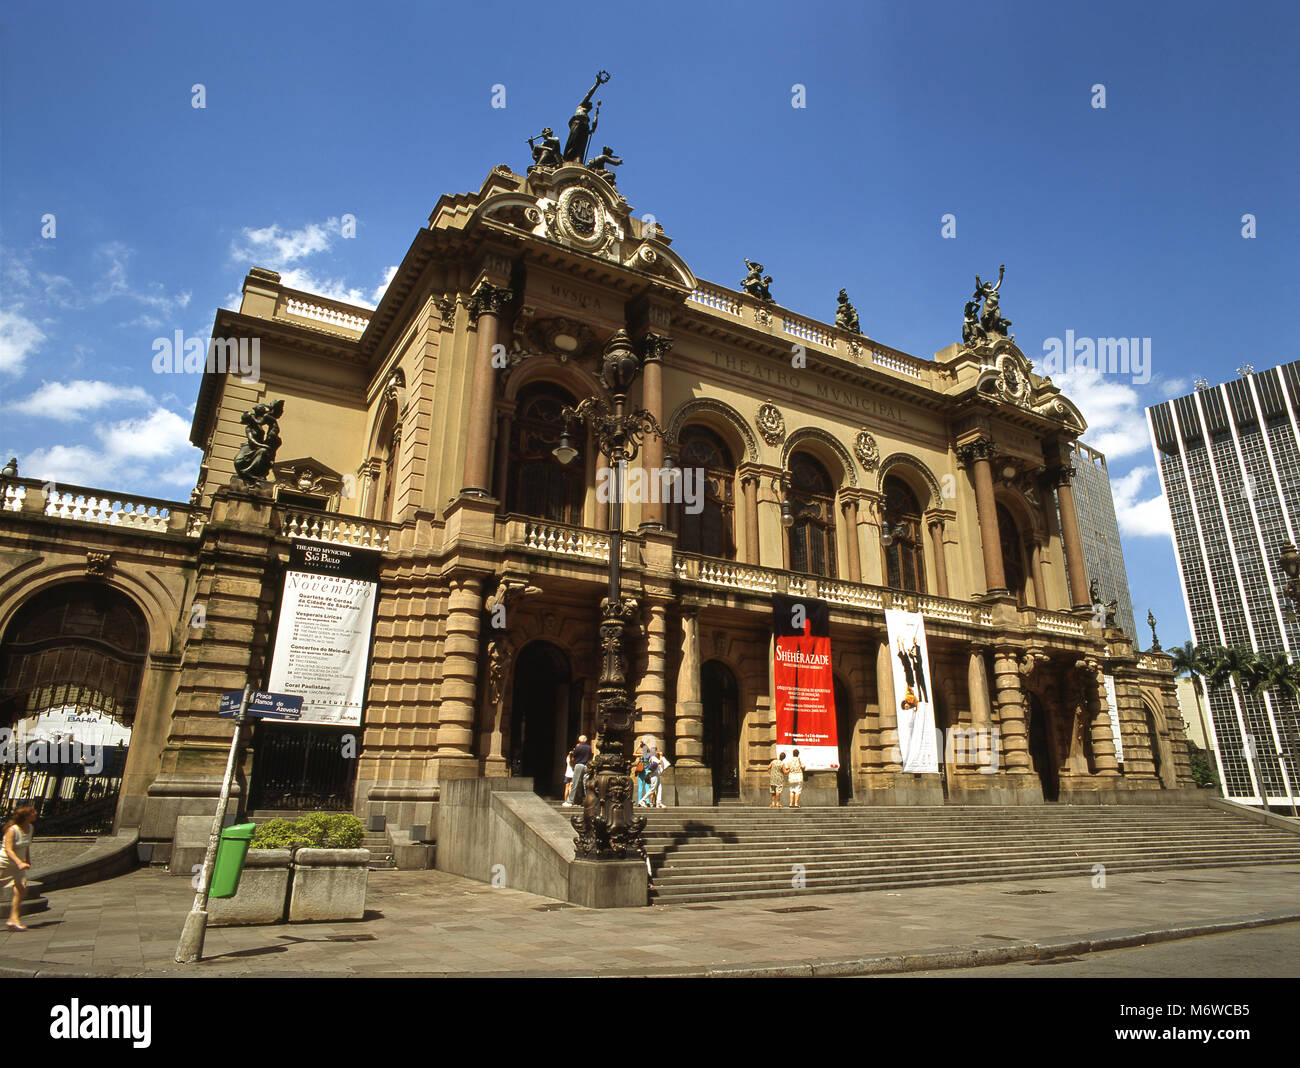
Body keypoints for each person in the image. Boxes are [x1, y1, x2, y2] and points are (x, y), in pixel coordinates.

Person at [2, 806, 36, 932]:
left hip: (18, 866)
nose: (35, 813)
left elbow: (26, 846)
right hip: (4, 864)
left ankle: (13, 919)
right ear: (26, 816)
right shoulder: (12, 830)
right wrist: (19, 862)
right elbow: (8, 849)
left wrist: (27, 861)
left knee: (21, 888)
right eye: (32, 812)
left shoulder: (30, 828)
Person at [563, 735, 592, 807]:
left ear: (579, 740)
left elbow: (573, 757)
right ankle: (587, 800)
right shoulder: (589, 748)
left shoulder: (578, 747)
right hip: (586, 766)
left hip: (578, 765)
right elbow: (590, 756)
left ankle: (570, 801)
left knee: (575, 783)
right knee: (585, 784)